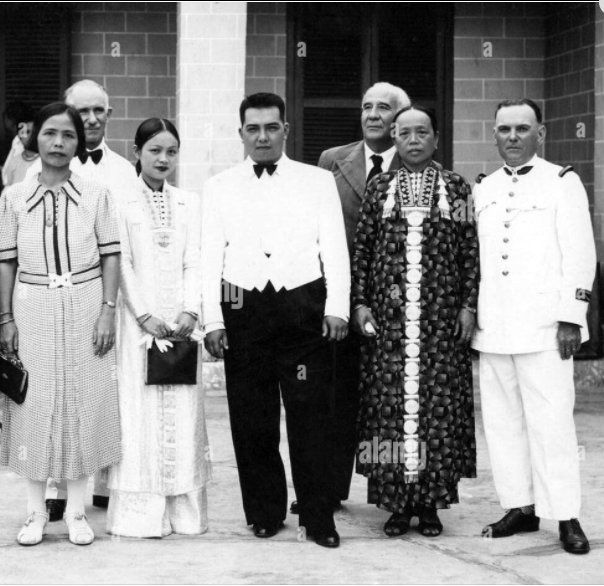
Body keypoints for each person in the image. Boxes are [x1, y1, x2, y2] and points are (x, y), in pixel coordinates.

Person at [202, 93, 350, 548]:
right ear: (241, 133)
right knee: (252, 418)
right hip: (244, 310)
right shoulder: (219, 185)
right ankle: (264, 511)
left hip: (303, 308)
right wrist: (212, 320)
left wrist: (337, 308)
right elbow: (209, 257)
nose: (262, 136)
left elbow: (335, 250)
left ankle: (318, 516)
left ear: (286, 129)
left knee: (310, 417)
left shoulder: (316, 181)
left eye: (271, 127)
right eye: (253, 128)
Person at [0, 102, 122, 547]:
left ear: (78, 142)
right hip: (32, 305)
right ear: (36, 139)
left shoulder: (97, 194)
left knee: (82, 403)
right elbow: (5, 261)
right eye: (50, 134)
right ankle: (34, 513)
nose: (58, 143)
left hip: (86, 301)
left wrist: (108, 308)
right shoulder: (13, 197)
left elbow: (111, 254)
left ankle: (76, 512)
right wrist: (6, 317)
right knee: (34, 404)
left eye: (68, 135)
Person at [472, 98, 596, 555]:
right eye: (504, 129)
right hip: (496, 326)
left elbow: (580, 255)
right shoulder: (482, 188)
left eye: (522, 129)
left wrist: (571, 317)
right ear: (494, 134)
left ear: (540, 134)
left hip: (545, 326)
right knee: (503, 423)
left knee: (552, 423)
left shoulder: (563, 182)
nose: (512, 137)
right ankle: (520, 506)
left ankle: (565, 513)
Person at [351, 105, 478, 538]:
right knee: (387, 412)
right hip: (387, 325)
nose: (413, 140)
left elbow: (469, 252)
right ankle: (395, 506)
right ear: (394, 138)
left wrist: (467, 306)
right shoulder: (379, 187)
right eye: (404, 133)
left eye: (422, 132)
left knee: (438, 413)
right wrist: (361, 303)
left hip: (440, 324)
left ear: (436, 138)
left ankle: (430, 506)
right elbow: (363, 250)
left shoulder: (457, 189)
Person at [25, 80, 135, 518]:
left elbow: (123, 242)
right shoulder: (30, 176)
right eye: (81, 112)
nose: (90, 119)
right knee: (52, 388)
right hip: (51, 299)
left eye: (98, 111)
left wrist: (114, 305)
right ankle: (53, 490)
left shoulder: (125, 170)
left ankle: (102, 483)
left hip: (108, 295)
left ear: (108, 114)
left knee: (101, 389)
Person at [106, 118, 211, 538]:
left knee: (183, 411)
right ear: (137, 153)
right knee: (138, 413)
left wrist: (190, 310)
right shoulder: (119, 201)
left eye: (170, 151)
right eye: (154, 150)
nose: (163, 158)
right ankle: (141, 515)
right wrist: (144, 313)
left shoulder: (190, 202)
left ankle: (184, 513)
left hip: (183, 328)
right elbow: (121, 261)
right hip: (138, 325)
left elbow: (195, 260)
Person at [312, 82, 410, 515]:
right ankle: (329, 489)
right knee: (335, 396)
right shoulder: (333, 161)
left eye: (384, 108)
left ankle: (389, 492)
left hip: (395, 302)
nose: (373, 115)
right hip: (340, 297)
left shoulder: (417, 163)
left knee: (389, 400)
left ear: (400, 119)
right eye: (367, 106)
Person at [2, 115, 38, 187]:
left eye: (34, 132)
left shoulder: (44, 161)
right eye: (27, 132)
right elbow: (8, 184)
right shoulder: (15, 161)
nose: (31, 136)